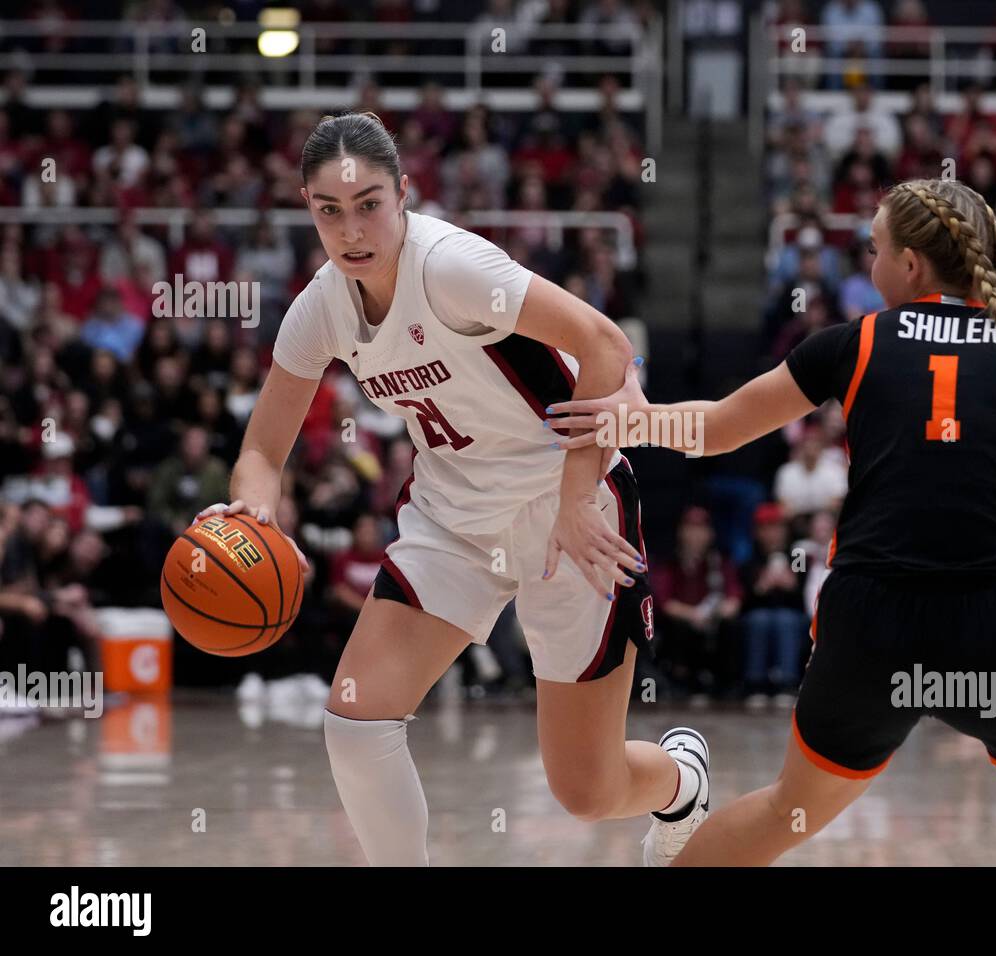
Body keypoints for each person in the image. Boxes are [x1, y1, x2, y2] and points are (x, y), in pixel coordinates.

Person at [547, 178, 996, 866]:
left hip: (873, 622)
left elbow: (718, 428)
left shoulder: (857, 340)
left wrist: (633, 422)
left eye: (874, 248)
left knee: (786, 812)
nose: (868, 261)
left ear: (908, 265)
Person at [193, 112, 707, 867]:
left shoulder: (454, 270)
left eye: (369, 203)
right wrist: (254, 514)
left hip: (567, 507)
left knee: (587, 792)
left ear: (404, 193)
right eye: (330, 210)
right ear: (307, 206)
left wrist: (573, 496)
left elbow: (605, 343)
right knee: (355, 719)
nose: (352, 229)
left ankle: (682, 782)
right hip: (454, 516)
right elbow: (263, 451)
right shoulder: (320, 307)